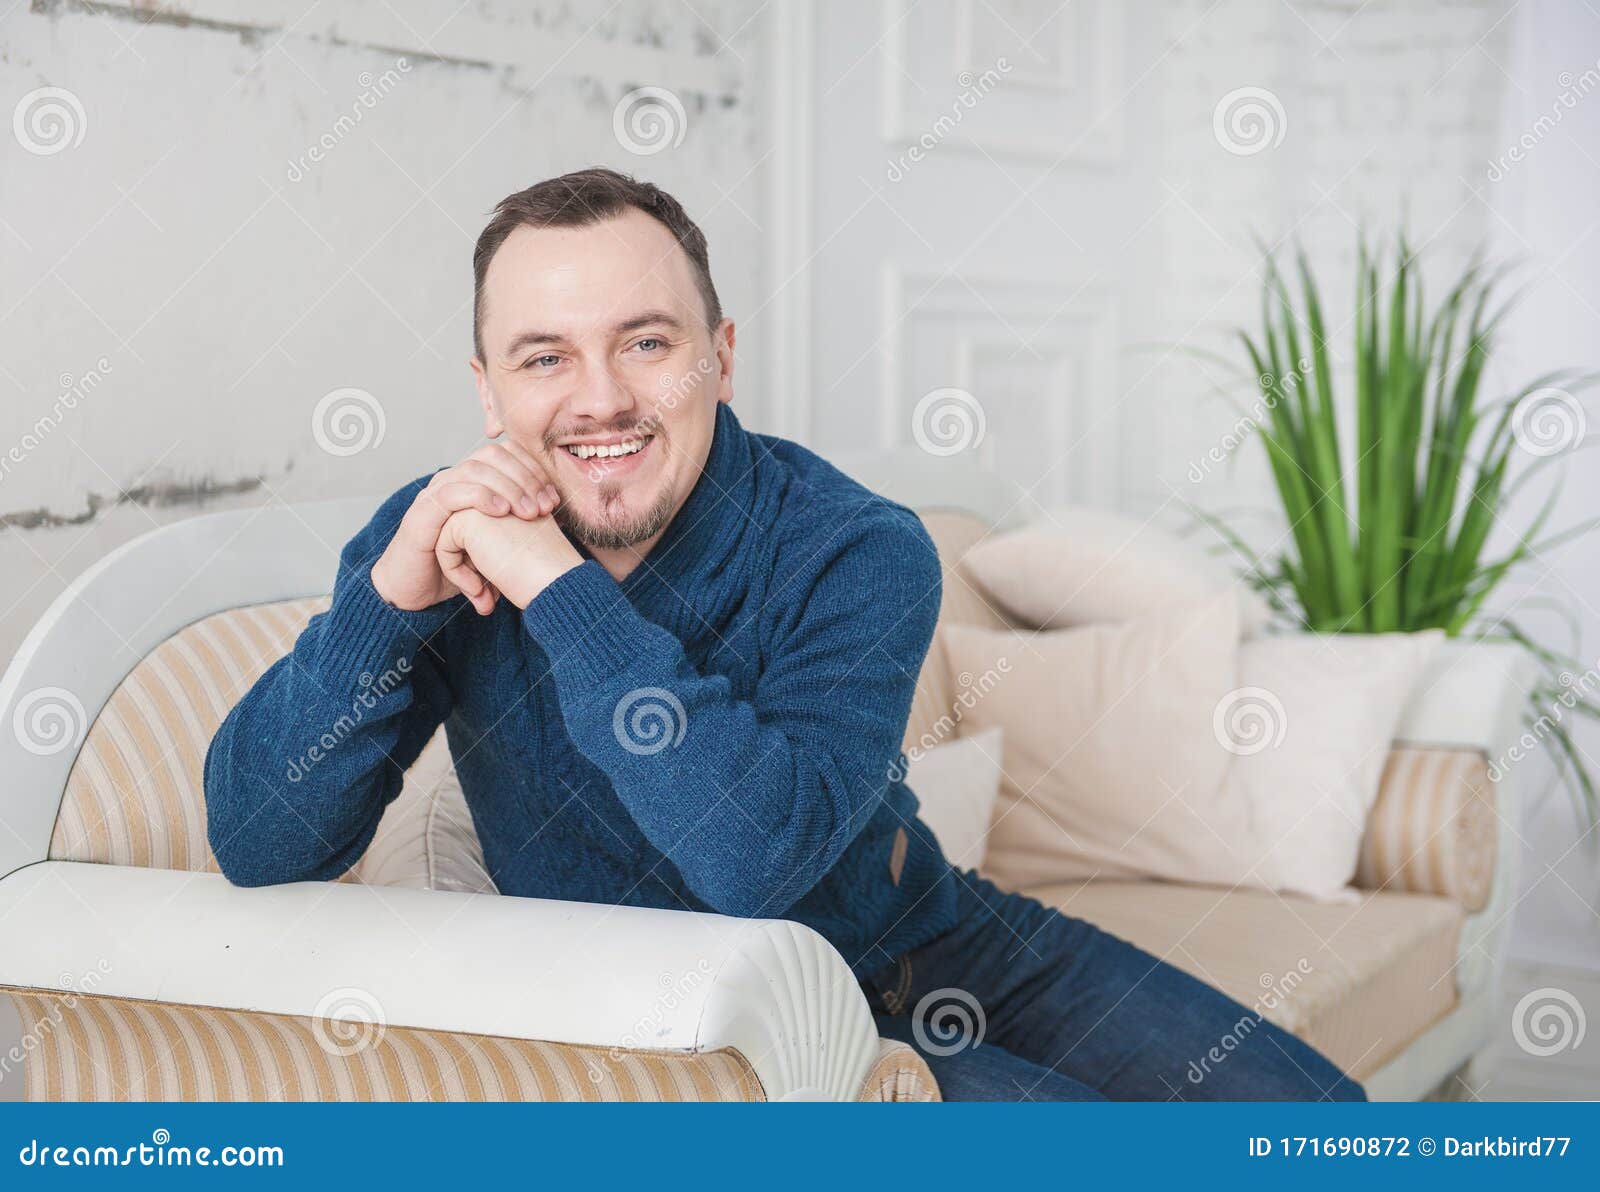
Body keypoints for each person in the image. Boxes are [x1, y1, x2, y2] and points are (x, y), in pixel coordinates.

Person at [204, 168, 1365, 1102]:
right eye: (544, 357)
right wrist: (390, 600)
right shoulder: (440, 543)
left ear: (720, 354)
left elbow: (765, 851)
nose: (599, 397)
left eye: (646, 343)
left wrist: (556, 585)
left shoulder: (854, 545)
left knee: (1319, 1129)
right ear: (488, 389)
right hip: (736, 1031)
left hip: (941, 941)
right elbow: (257, 839)